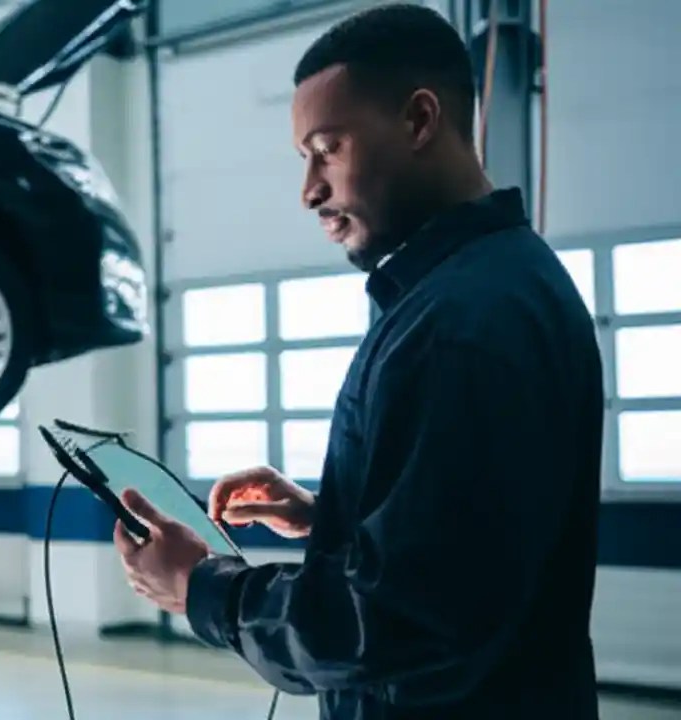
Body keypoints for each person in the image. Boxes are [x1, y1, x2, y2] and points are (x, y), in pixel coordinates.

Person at [114, 4, 604, 719]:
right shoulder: (488, 286)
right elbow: (473, 542)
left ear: (419, 120)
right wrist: (335, 517)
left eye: (329, 149)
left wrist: (201, 586)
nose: (309, 190)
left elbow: (389, 621)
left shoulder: (460, 323)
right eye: (305, 158)